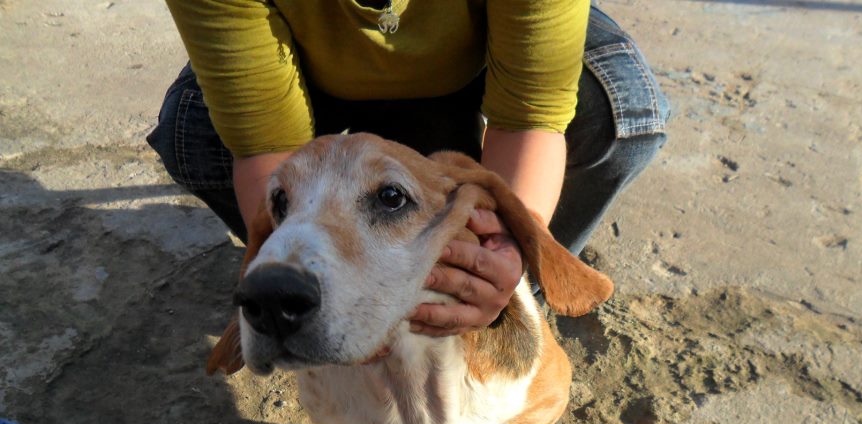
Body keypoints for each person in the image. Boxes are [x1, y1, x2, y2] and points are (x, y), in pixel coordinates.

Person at [148, 0, 669, 336]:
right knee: (197, 138)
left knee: (623, 115)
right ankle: (323, 287)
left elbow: (531, 116)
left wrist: (500, 257)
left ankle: (510, 297)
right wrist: (290, 275)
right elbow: (270, 153)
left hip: (483, 51)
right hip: (306, 72)